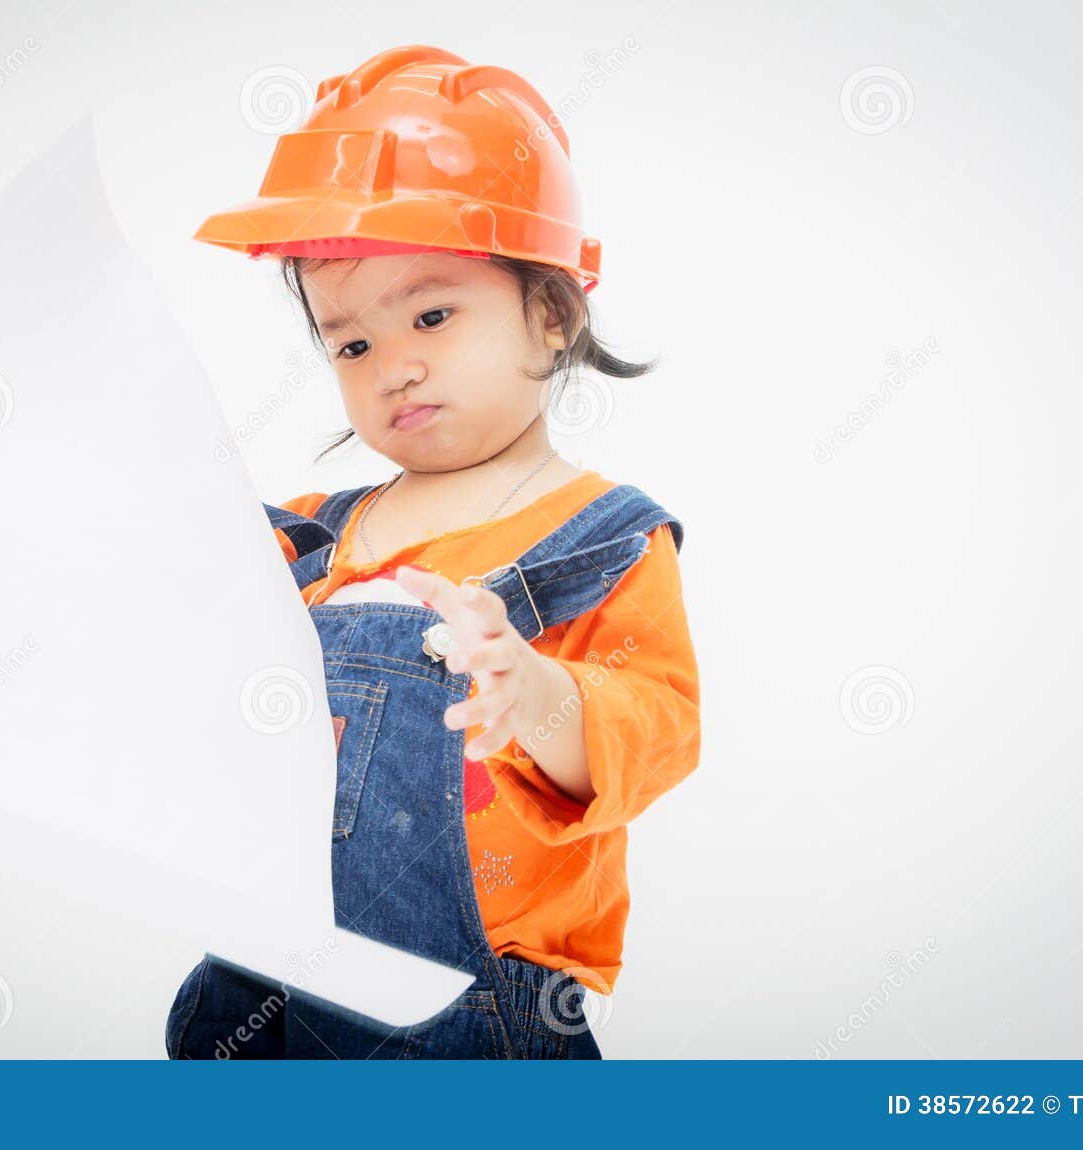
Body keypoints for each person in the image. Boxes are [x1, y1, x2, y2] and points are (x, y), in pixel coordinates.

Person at [166, 43, 702, 1059]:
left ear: (551, 315)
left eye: (432, 314)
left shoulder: (606, 538)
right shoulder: (307, 535)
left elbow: (659, 729)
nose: (394, 366)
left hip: (468, 1010)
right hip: (266, 984)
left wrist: (536, 693)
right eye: (352, 343)